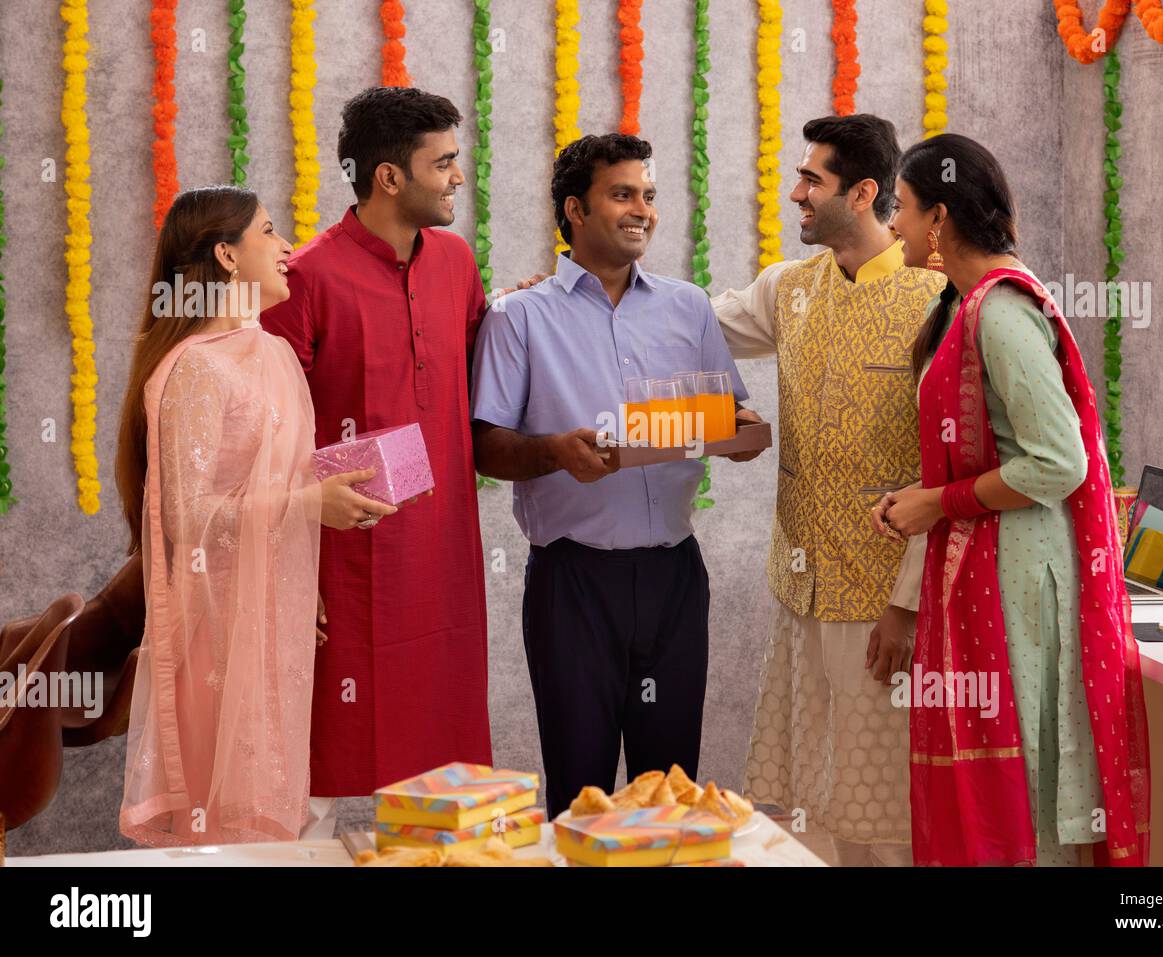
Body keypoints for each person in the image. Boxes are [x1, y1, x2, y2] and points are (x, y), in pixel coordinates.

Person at [471, 133, 762, 817]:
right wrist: (553, 453)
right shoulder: (519, 316)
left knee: (669, 788)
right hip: (572, 585)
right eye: (623, 194)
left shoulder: (688, 305)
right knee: (582, 794)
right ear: (575, 209)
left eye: (649, 196)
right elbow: (486, 445)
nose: (643, 210)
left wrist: (741, 435)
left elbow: (736, 416)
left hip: (674, 581)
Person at [880, 133, 1150, 866]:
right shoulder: (968, 303)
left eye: (900, 208)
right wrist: (928, 497)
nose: (893, 224)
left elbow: (1057, 461)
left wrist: (939, 503)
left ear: (939, 218)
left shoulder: (999, 310)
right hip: (996, 557)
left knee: (1025, 784)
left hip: (1019, 574)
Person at [116, 186, 395, 845]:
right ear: (226, 255)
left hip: (277, 621)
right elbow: (188, 516)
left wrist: (316, 541)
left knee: (277, 819)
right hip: (216, 633)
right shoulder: (196, 368)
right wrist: (305, 506)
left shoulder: (269, 352)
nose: (287, 248)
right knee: (228, 829)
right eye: (269, 232)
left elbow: (280, 473)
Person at [712, 114, 945, 867]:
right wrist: (561, 294)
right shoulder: (790, 289)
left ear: (865, 191)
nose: (795, 193)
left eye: (812, 179)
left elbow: (948, 470)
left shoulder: (937, 297)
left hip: (887, 602)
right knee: (826, 800)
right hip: (801, 588)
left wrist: (906, 603)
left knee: (895, 816)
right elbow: (685, 323)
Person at [260, 87, 492, 834]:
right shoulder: (307, 276)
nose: (459, 177)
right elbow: (265, 435)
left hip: (444, 556)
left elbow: (483, 363)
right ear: (389, 177)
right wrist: (296, 563)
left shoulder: (456, 262)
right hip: (346, 565)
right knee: (315, 771)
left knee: (441, 769)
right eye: (444, 163)